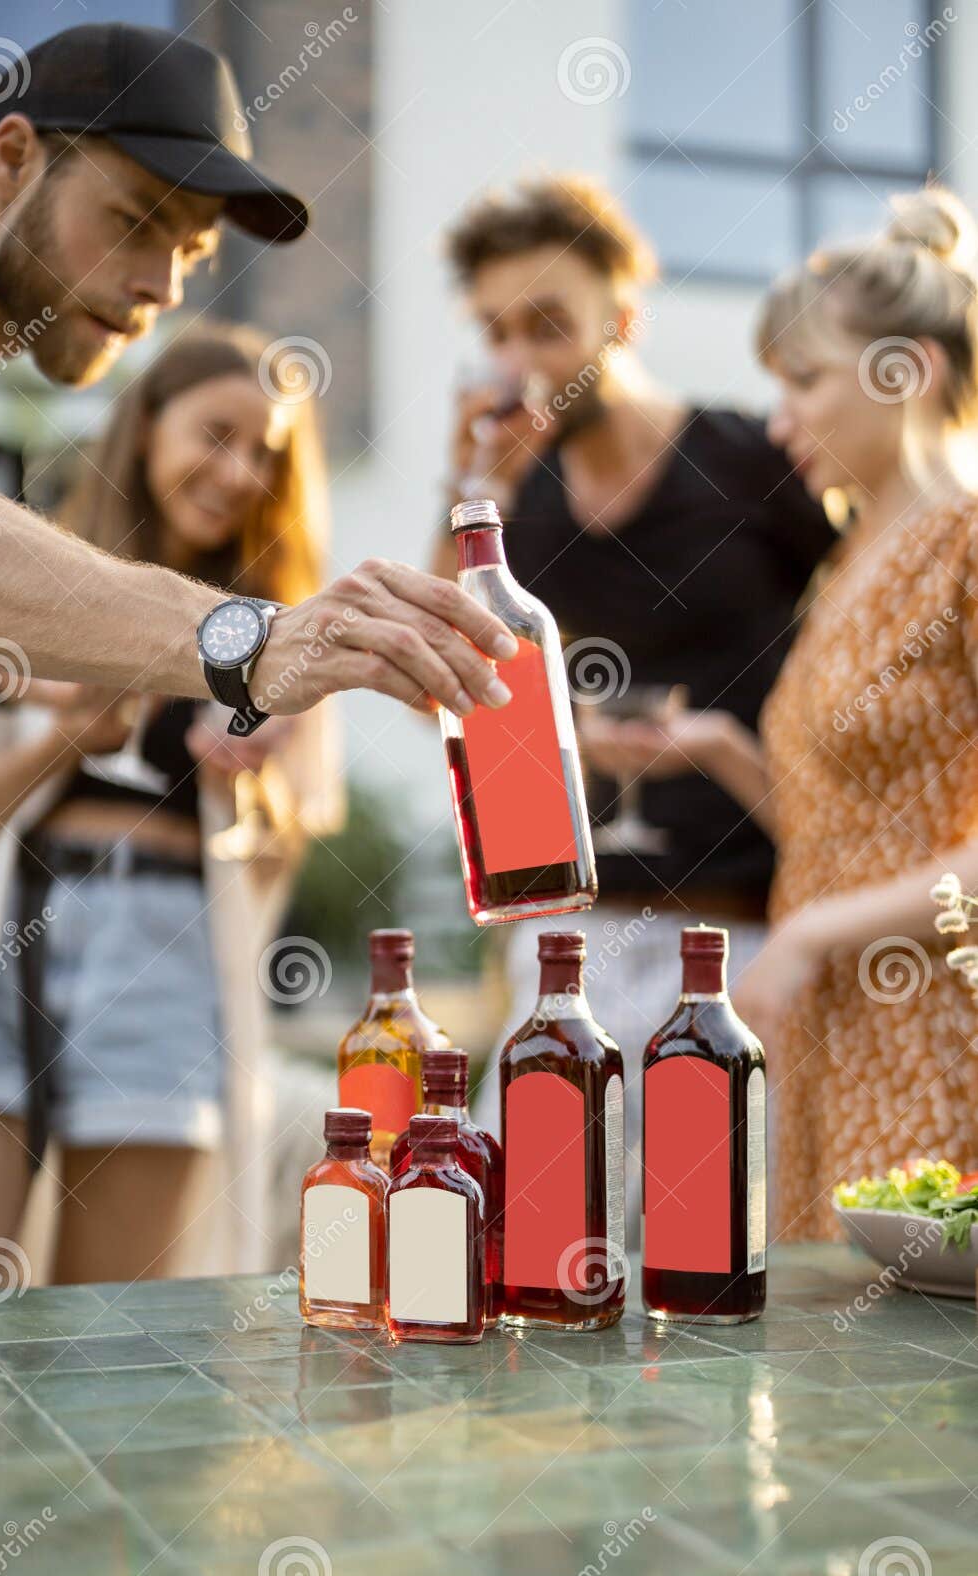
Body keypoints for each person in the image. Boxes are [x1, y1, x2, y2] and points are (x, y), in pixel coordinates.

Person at [0, 24, 518, 721]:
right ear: (14, 158)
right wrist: (252, 640)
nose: (165, 289)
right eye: (135, 222)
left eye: (192, 254)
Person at [0, 325, 343, 1289]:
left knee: (112, 1338)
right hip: (18, 939)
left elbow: (283, 856)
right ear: (146, 430)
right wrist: (74, 738)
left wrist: (253, 784)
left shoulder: (283, 631)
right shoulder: (34, 593)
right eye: (214, 435)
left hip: (167, 952)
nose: (237, 474)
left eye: (263, 455)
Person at [432, 177, 836, 1167]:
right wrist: (468, 491)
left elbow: (861, 631)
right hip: (568, 943)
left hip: (737, 941)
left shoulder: (751, 461)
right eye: (497, 332)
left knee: (724, 1276)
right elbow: (430, 684)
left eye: (547, 327)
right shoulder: (509, 502)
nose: (518, 363)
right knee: (526, 1260)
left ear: (620, 319)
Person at [624, 186, 978, 1238]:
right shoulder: (841, 567)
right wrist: (726, 753)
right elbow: (849, 831)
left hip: (933, 1034)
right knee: (836, 1386)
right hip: (829, 1034)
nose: (776, 424)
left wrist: (810, 932)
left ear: (903, 371)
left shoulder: (962, 546)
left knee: (912, 1385)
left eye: (802, 384)